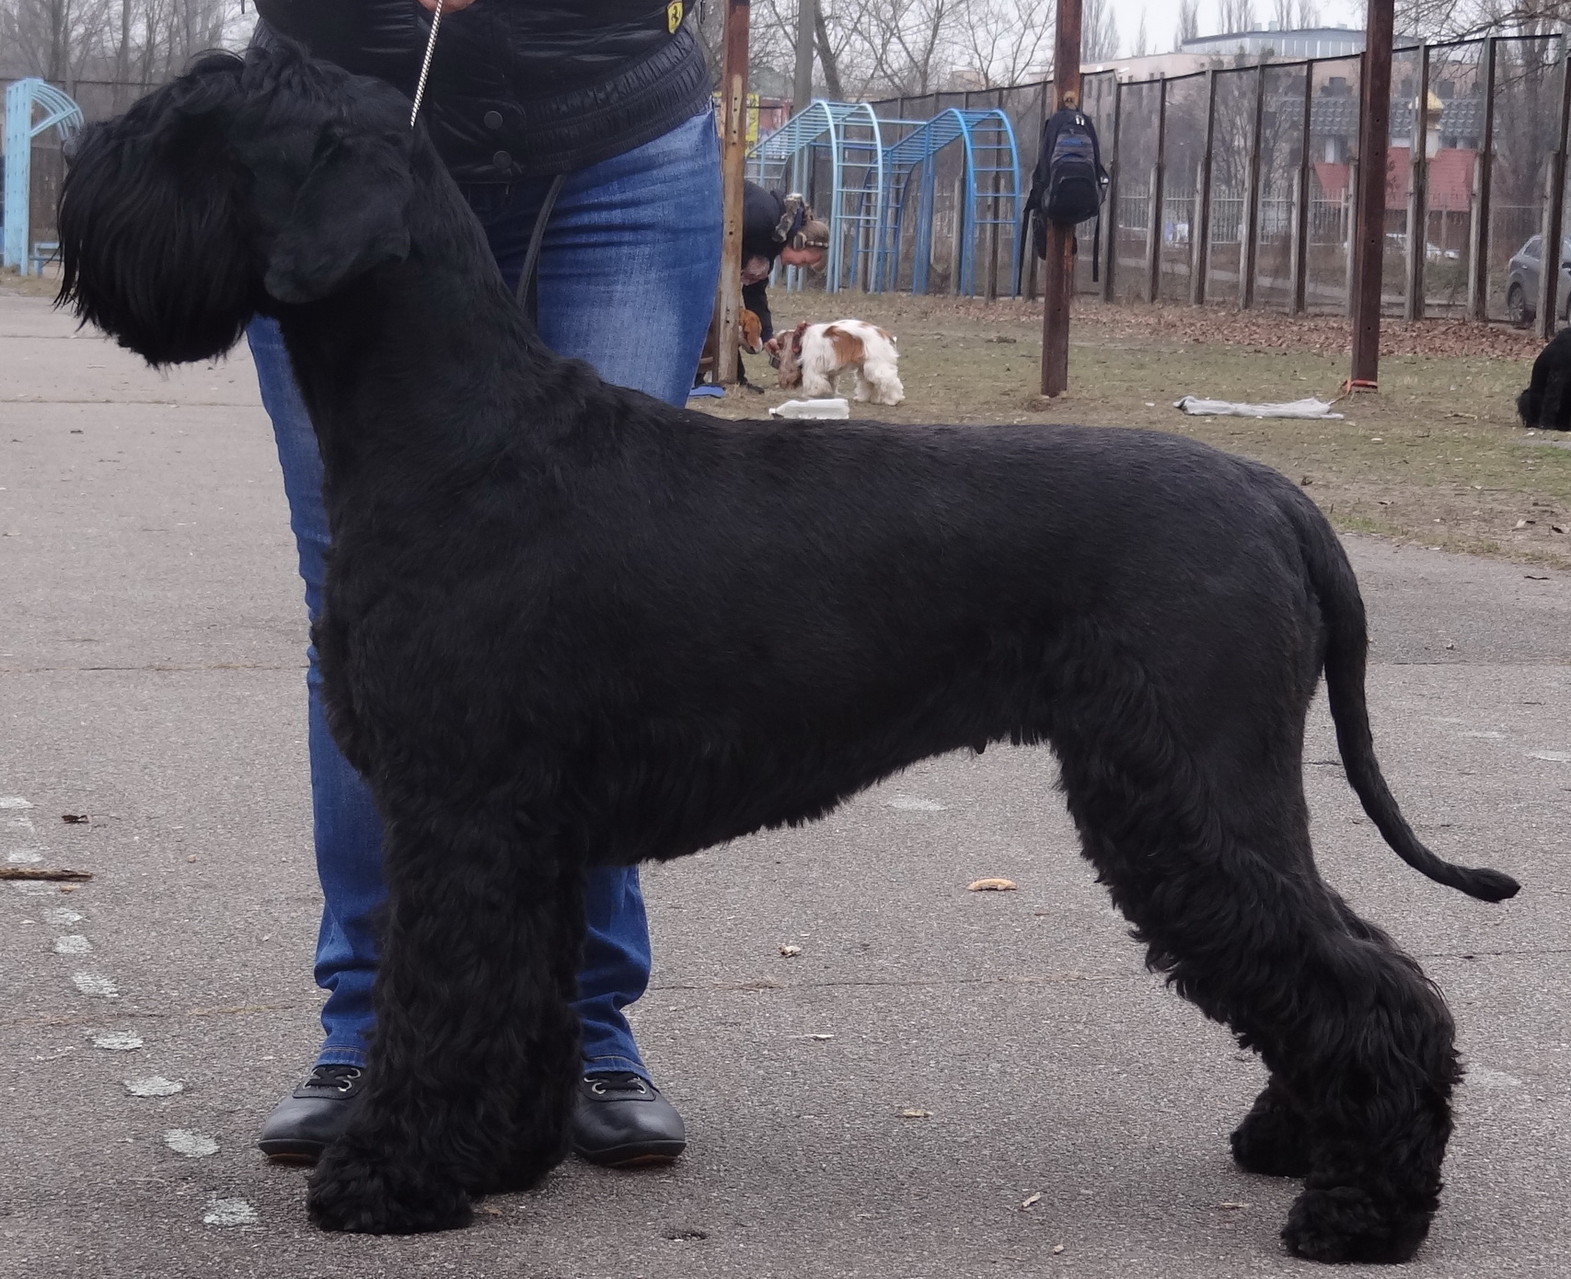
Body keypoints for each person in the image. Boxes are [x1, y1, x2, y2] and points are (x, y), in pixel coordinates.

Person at [246, 0, 719, 1169]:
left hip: (615, 125)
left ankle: (580, 1027)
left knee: (603, 606)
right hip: (332, 135)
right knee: (372, 608)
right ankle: (373, 1026)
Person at [740, 179, 829, 355]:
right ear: (798, 242)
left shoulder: (772, 241)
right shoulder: (766, 217)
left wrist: (766, 336)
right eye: (804, 261)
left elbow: (754, 291)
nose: (799, 267)